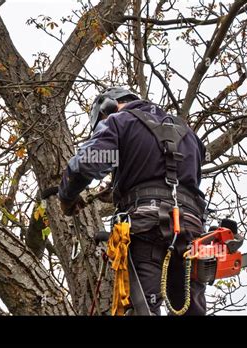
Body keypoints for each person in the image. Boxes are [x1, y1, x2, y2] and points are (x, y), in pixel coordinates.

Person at [58, 87, 207, 315]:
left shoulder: (120, 121)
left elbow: (87, 163)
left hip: (148, 226)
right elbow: (177, 178)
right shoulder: (188, 134)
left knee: (142, 308)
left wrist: (67, 197)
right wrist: (123, 185)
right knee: (190, 309)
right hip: (192, 232)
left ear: (107, 108)